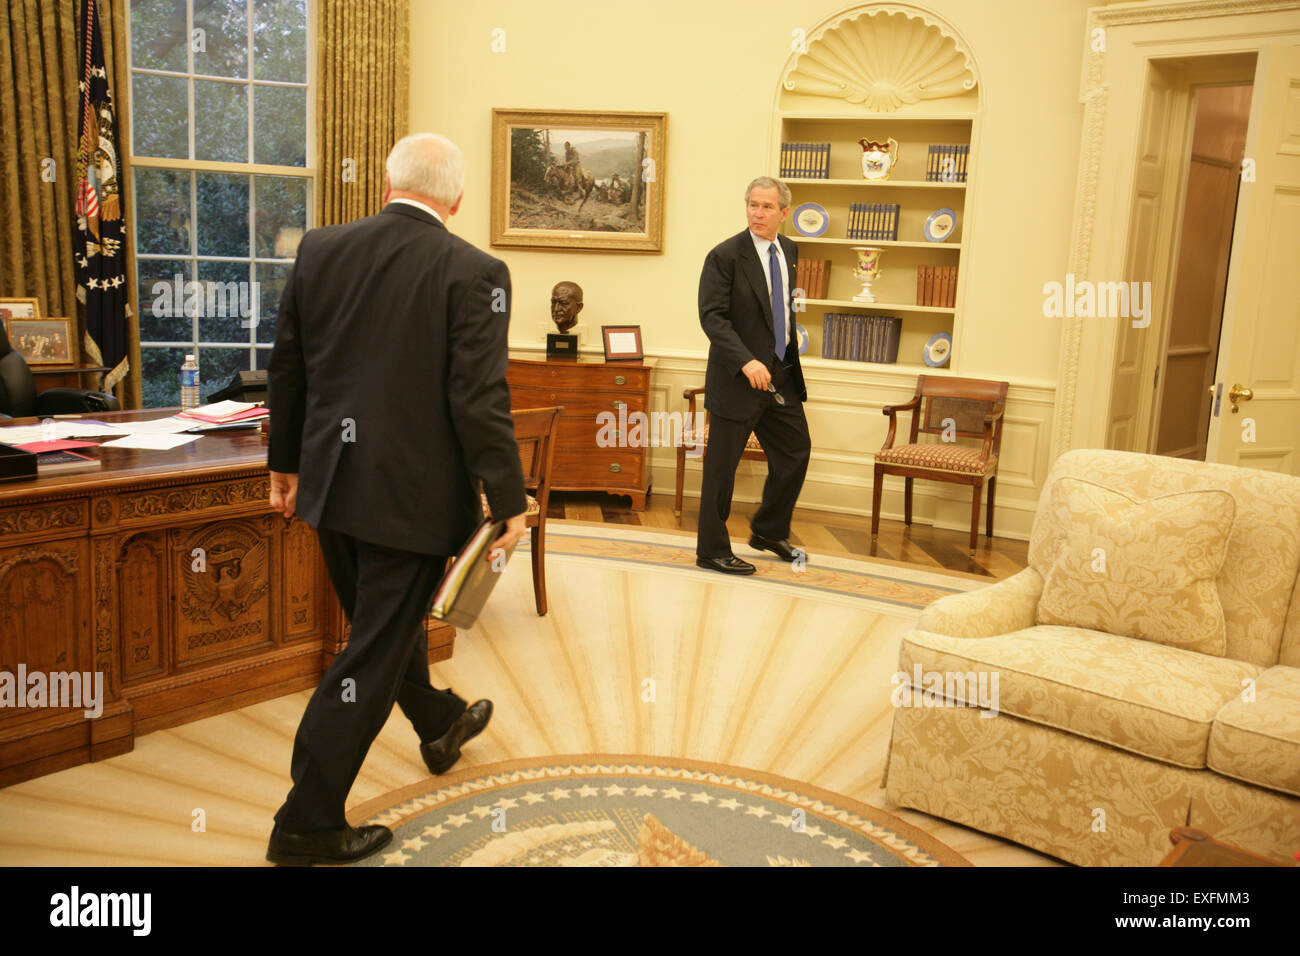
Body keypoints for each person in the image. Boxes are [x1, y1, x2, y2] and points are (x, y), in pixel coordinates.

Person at [264, 132, 527, 865]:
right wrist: (511, 499)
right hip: (410, 505)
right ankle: (305, 823)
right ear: (458, 198)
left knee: (387, 627)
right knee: (369, 657)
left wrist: (283, 465)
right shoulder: (476, 271)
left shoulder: (320, 248)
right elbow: (478, 398)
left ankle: (439, 720)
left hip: (330, 487)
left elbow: (288, 366)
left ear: (387, 184)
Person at [695, 176, 811, 575]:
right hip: (737, 380)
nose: (757, 213)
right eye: (752, 205)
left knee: (796, 452)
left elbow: (780, 310)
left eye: (766, 207)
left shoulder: (791, 250)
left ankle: (768, 531)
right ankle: (711, 550)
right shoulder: (724, 256)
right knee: (721, 471)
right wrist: (746, 361)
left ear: (784, 213)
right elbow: (713, 317)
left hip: (781, 376)